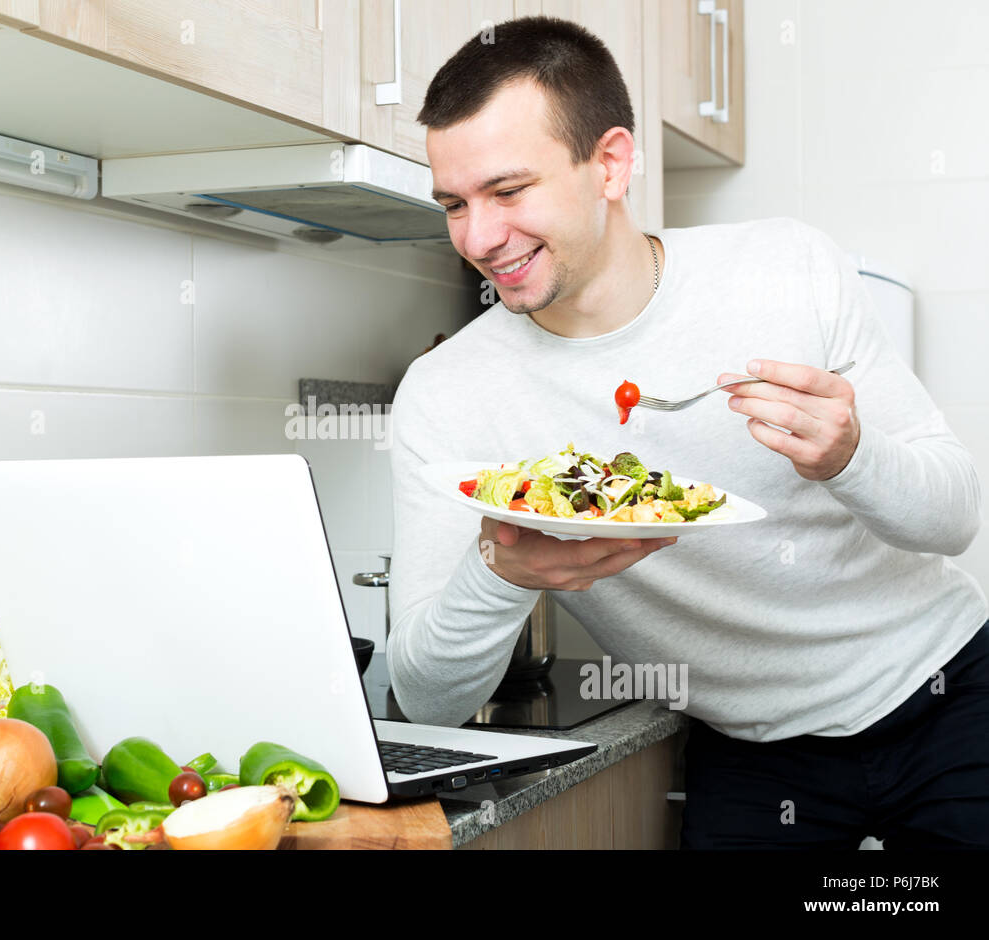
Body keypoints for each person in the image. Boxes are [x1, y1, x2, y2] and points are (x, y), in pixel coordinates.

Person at [385, 16, 989, 849]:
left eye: (508, 191)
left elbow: (954, 518)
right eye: (453, 203)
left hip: (948, 696)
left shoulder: (788, 269)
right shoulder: (446, 393)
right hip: (751, 751)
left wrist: (855, 455)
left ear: (611, 163)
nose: (478, 238)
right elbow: (425, 701)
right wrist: (501, 570)